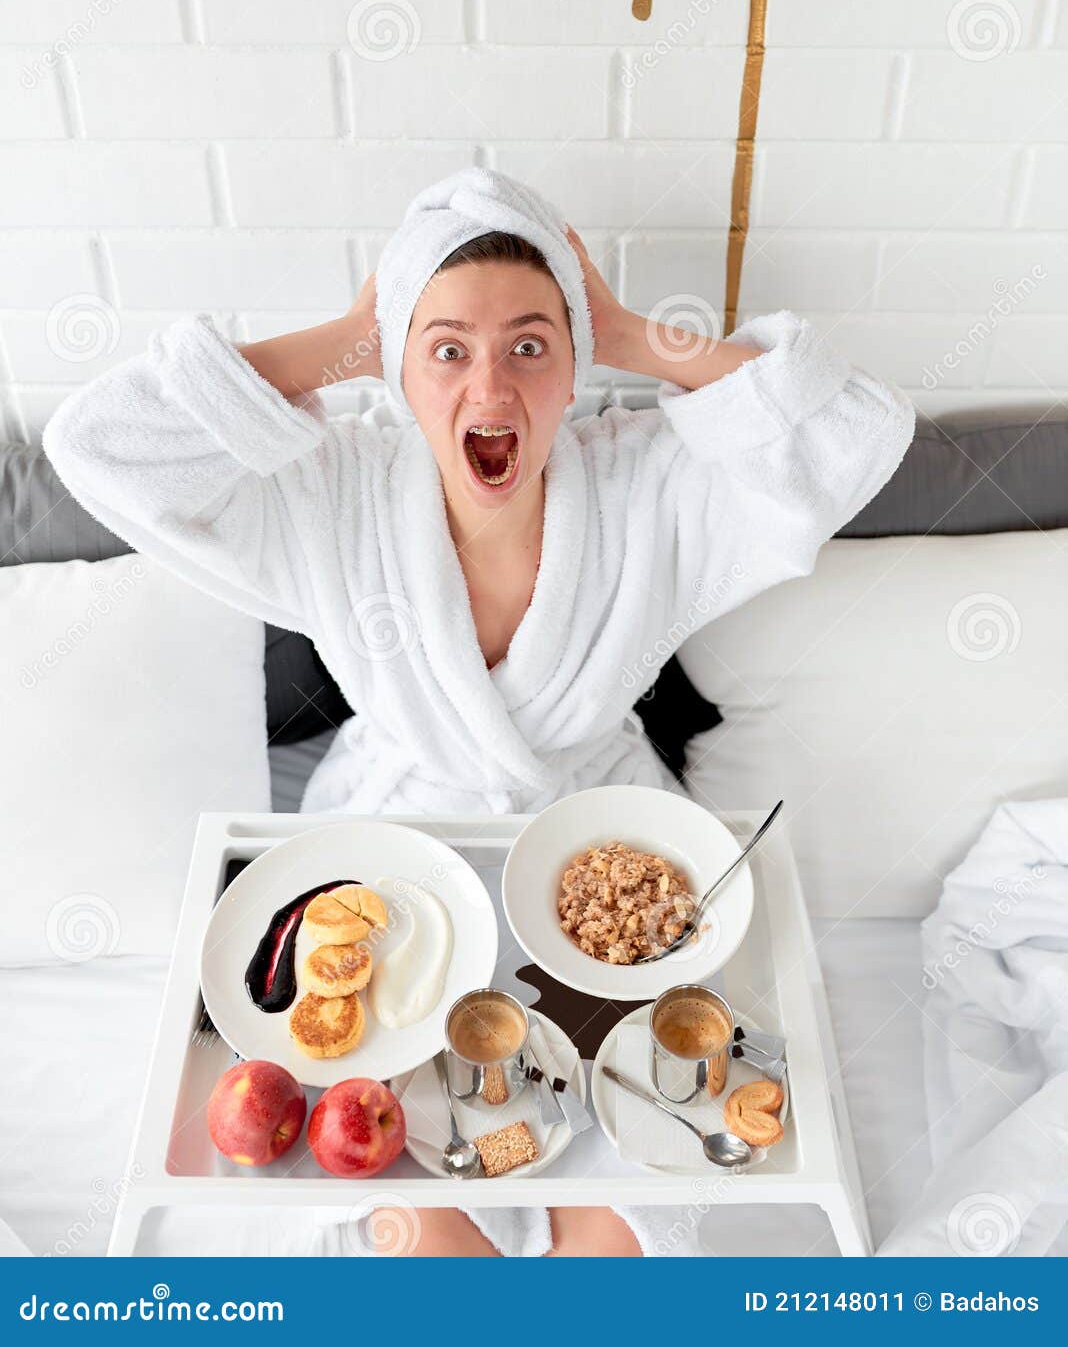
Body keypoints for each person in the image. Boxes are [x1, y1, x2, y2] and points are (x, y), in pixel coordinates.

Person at [42, 166, 916, 1257]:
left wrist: (636, 334)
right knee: (420, 1239)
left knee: (627, 1224)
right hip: (395, 867)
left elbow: (859, 433)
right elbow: (99, 446)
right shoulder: (333, 490)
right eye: (446, 349)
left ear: (575, 368)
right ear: (399, 375)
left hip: (605, 869)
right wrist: (347, 337)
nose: (491, 391)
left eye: (532, 346)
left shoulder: (651, 487)